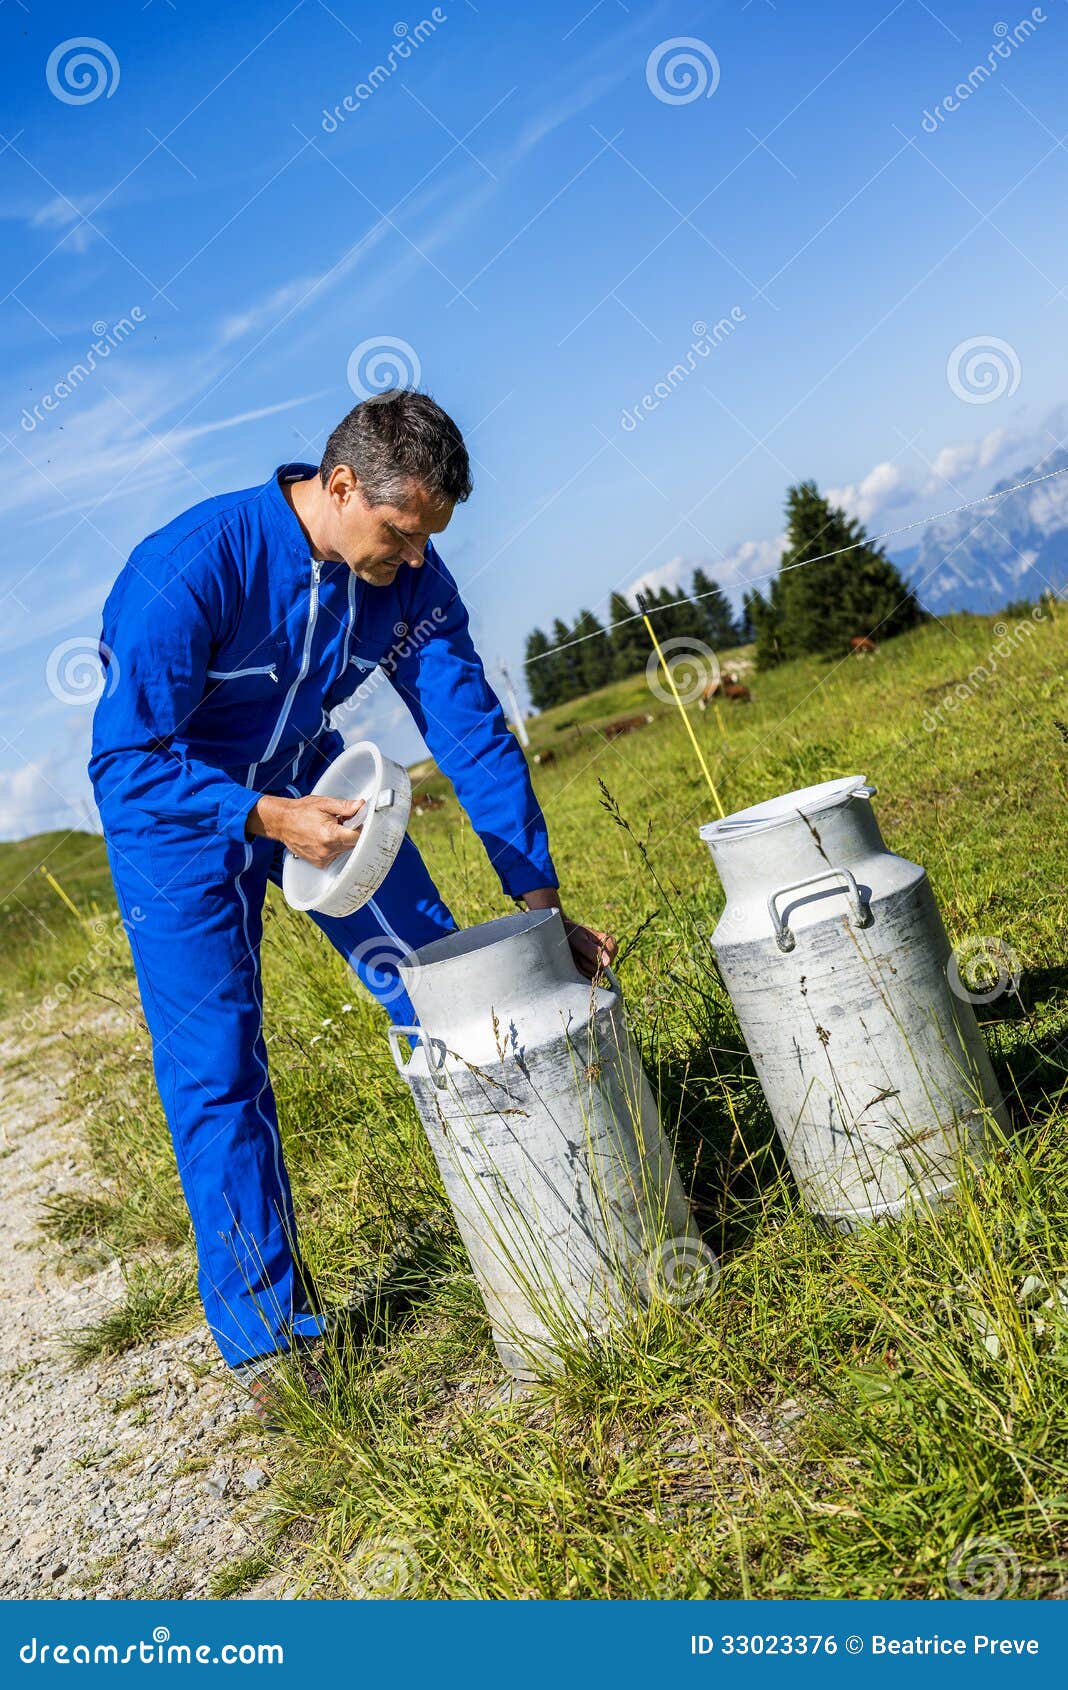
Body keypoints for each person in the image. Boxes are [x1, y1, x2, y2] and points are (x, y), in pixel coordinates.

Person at [88, 389, 616, 1409]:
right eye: (400, 532)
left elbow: (467, 727)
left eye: (429, 537)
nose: (415, 559)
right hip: (179, 819)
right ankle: (274, 1346)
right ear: (339, 487)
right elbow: (124, 764)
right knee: (217, 1068)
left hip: (314, 782)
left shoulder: (409, 577)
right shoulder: (190, 568)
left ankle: (553, 1216)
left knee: (446, 986)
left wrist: (540, 907)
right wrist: (264, 816)